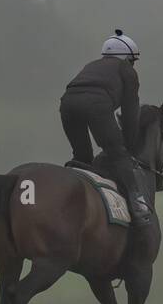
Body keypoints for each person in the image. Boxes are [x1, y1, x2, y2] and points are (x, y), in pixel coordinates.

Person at [59, 29, 152, 226]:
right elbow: (130, 114)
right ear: (127, 58)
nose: (133, 65)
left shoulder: (92, 65)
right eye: (132, 61)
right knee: (119, 154)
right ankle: (138, 205)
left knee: (82, 157)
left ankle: (70, 199)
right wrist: (129, 145)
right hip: (96, 105)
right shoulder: (127, 71)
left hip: (67, 104)